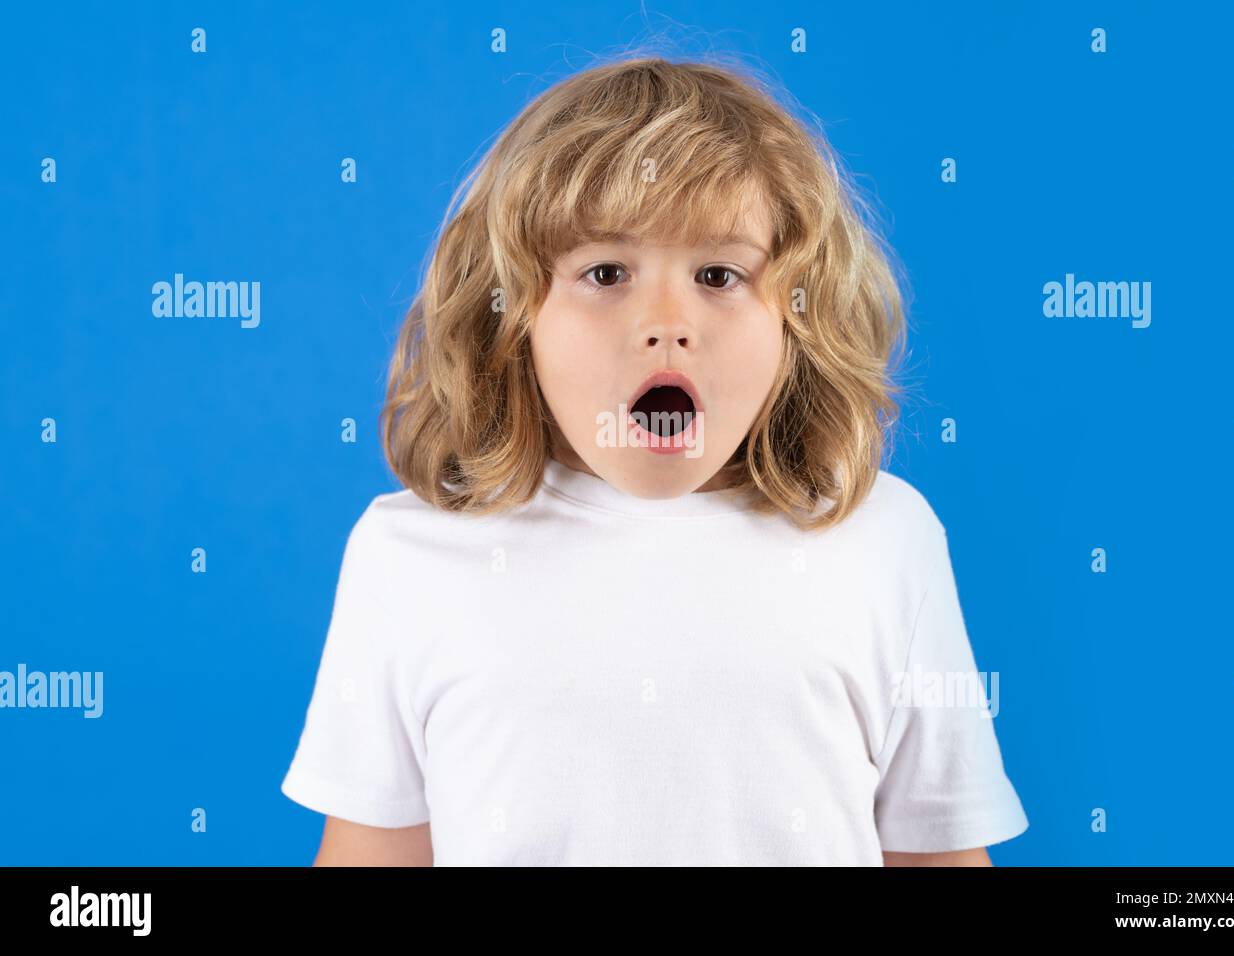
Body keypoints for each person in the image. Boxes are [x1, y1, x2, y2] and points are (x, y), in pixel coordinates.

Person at [280, 53, 1029, 866]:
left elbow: (938, 854)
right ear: (510, 316)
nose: (667, 322)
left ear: (797, 321)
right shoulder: (407, 557)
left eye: (719, 274)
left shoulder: (882, 537)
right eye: (605, 272)